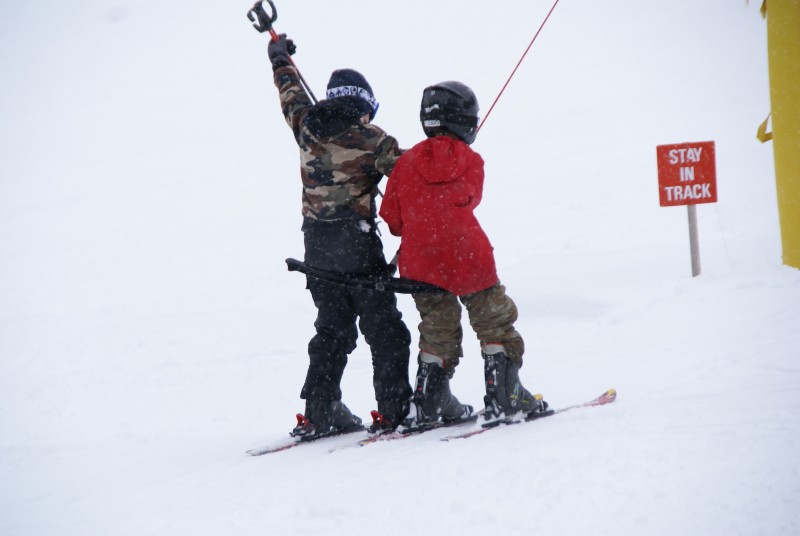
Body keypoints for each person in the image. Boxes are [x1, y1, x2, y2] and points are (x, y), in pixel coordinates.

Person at [379, 81, 548, 426]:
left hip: (420, 261)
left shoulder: (404, 163)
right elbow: (471, 198)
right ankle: (506, 395)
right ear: (465, 121)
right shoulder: (472, 160)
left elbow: (393, 221)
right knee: (493, 321)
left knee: (437, 328)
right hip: (467, 255)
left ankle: (430, 401)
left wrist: (417, 210)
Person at [267, 34, 412, 436]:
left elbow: (290, 93)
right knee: (384, 329)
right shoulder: (372, 140)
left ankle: (321, 409)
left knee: (333, 328)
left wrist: (281, 60)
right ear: (364, 105)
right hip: (358, 244)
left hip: (316, 246)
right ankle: (396, 409)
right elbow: (411, 176)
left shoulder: (306, 126)